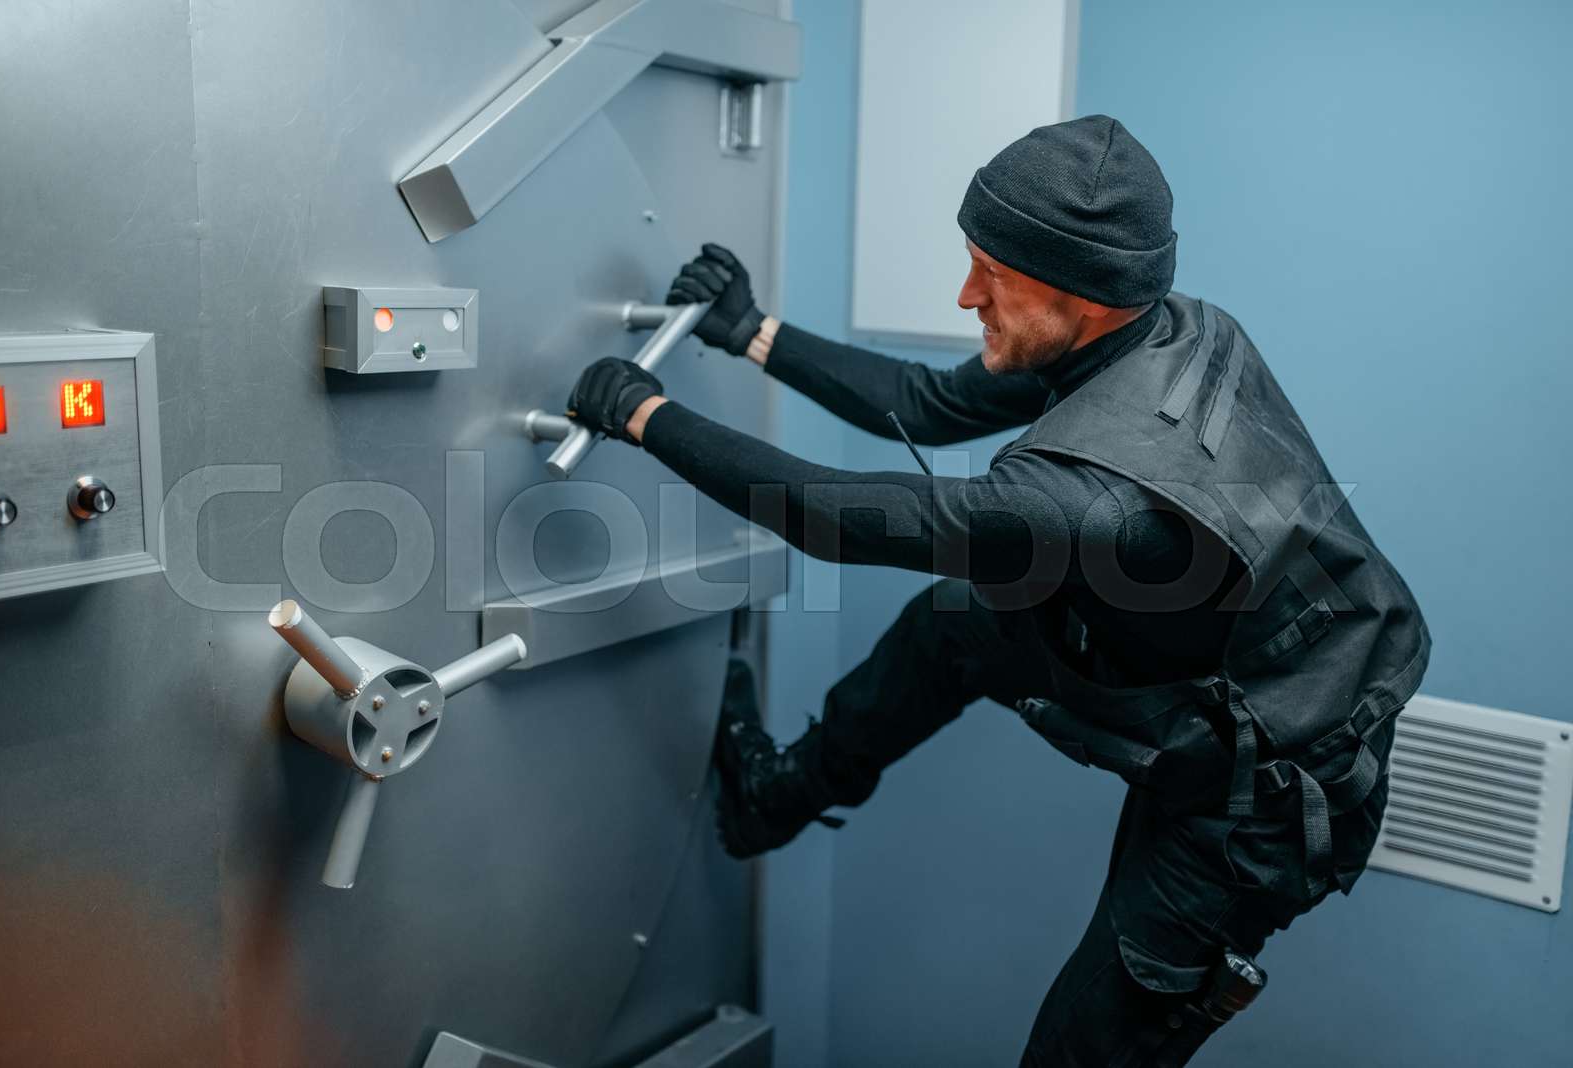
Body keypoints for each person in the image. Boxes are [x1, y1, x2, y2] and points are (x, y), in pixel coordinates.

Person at [564, 115, 1429, 1066]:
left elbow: (838, 518)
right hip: (1207, 658)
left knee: (1078, 1052)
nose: (966, 293)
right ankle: (775, 799)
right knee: (962, 620)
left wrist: (645, 415)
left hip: (1256, 794)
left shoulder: (1092, 500)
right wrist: (752, 333)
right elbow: (934, 405)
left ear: (1085, 295)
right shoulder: (1168, 328)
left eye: (995, 277)